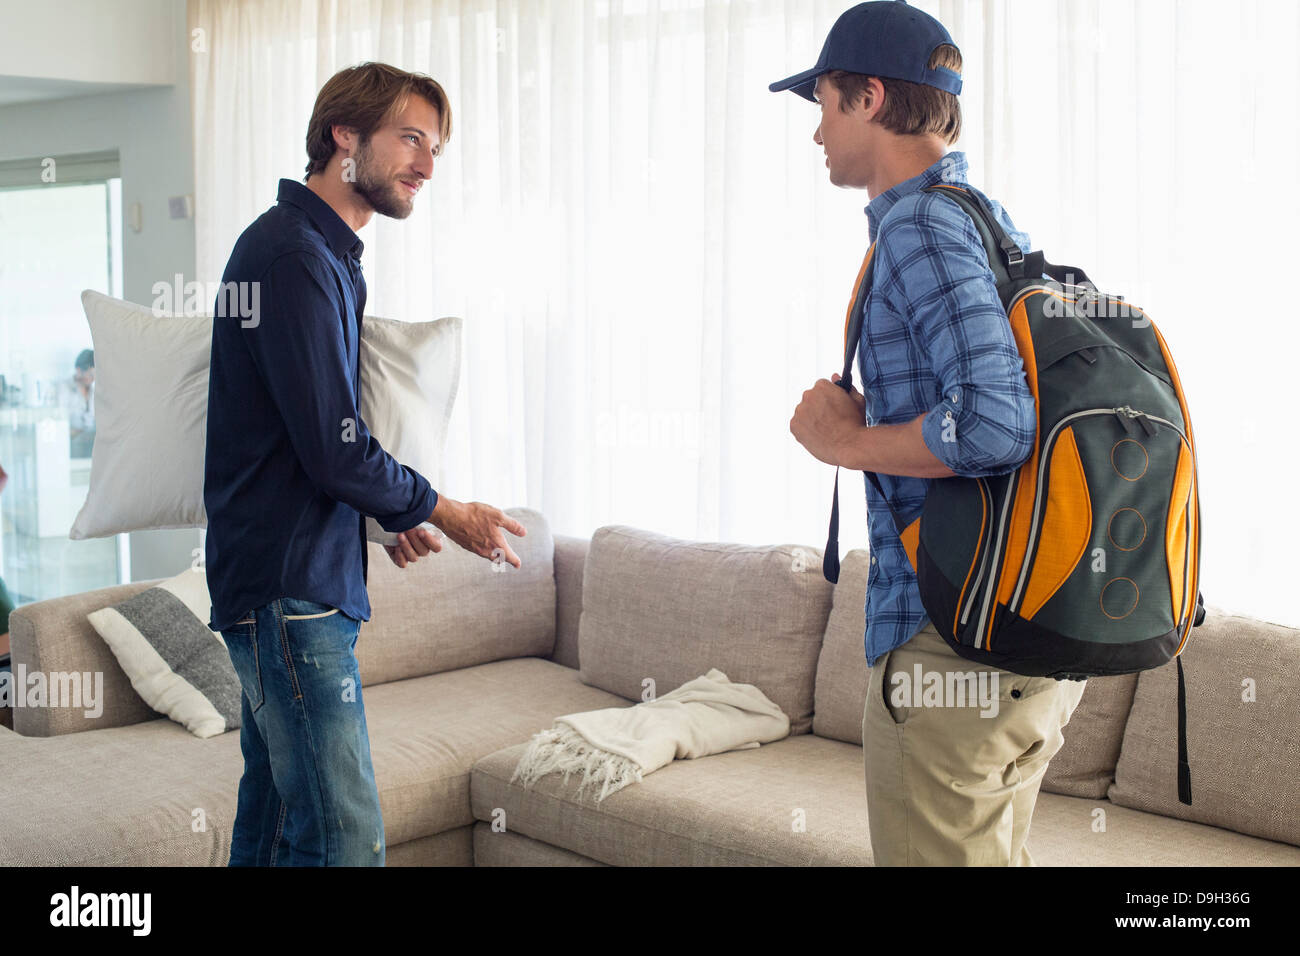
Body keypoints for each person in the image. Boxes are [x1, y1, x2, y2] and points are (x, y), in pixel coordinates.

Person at [777, 1, 1086, 865]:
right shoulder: (985, 219)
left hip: (949, 640)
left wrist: (843, 444)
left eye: (827, 107)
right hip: (1019, 637)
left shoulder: (918, 224)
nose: (818, 137)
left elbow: (994, 424)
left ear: (870, 98)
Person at [204, 61, 525, 867]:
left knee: (278, 824)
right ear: (344, 136)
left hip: (291, 583)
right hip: (292, 594)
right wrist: (442, 509)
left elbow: (305, 441)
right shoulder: (294, 257)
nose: (425, 162)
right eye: (411, 138)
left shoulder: (320, 253)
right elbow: (332, 445)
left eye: (435, 148)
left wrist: (392, 512)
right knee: (346, 839)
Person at [61, 349, 95, 457]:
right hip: (68, 446)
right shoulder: (64, 389)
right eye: (90, 373)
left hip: (90, 445)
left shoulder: (94, 392)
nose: (93, 378)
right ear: (78, 370)